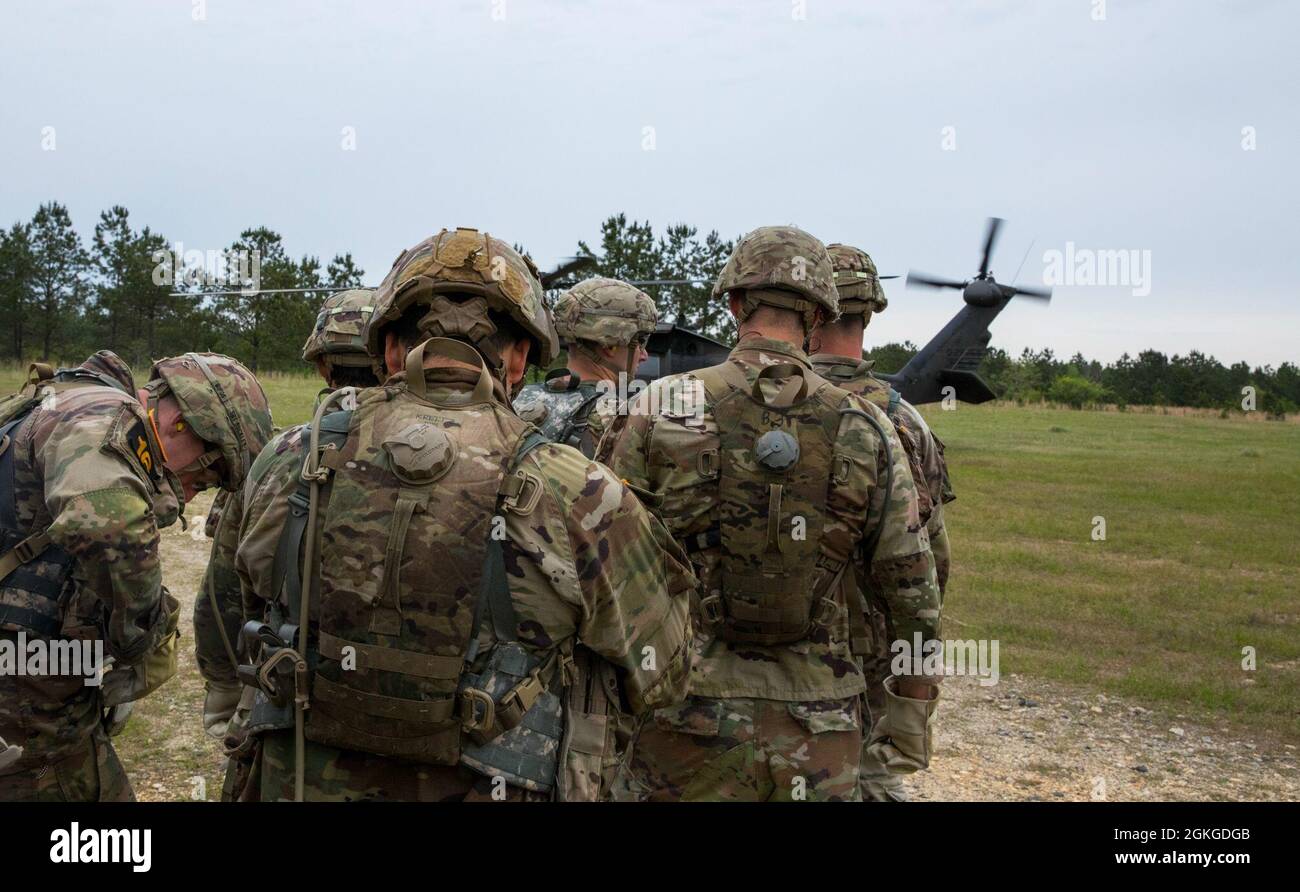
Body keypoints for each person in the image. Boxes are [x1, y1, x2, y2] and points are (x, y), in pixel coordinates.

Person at [226, 228, 696, 801]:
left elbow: (230, 620)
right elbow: (664, 666)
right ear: (519, 358)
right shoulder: (579, 490)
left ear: (391, 350)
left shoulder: (289, 458)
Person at [599, 225, 943, 801]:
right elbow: (914, 591)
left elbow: (603, 570)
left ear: (735, 304)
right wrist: (906, 725)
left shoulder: (657, 408)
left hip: (684, 721)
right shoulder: (865, 425)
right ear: (816, 315)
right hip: (823, 733)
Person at [0, 351, 272, 801]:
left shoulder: (65, 399)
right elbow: (108, 522)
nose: (188, 493)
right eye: (204, 477)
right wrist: (137, 639)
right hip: (26, 702)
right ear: (183, 423)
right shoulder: (104, 415)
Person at [195, 288, 381, 744]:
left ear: (322, 366)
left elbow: (223, 595)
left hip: (286, 696)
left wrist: (224, 686)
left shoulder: (280, 454)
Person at [807, 242, 956, 801]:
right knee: (869, 779)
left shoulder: (758, 404)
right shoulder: (901, 420)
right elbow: (930, 566)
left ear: (809, 310)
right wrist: (916, 672)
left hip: (757, 651)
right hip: (867, 657)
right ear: (870, 314)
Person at [514, 276, 656, 457]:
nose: (644, 355)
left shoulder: (519, 398)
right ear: (608, 345)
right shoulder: (623, 419)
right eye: (640, 342)